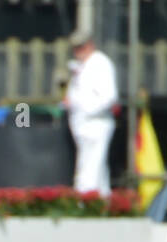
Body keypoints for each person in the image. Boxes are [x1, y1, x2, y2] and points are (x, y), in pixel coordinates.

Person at [64, 30, 119, 196]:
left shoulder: (100, 64)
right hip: (82, 124)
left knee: (89, 169)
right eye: (76, 48)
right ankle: (103, 202)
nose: (78, 51)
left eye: (82, 47)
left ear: (90, 45)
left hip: (96, 123)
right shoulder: (81, 66)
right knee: (96, 169)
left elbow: (109, 97)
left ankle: (85, 203)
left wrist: (85, 110)